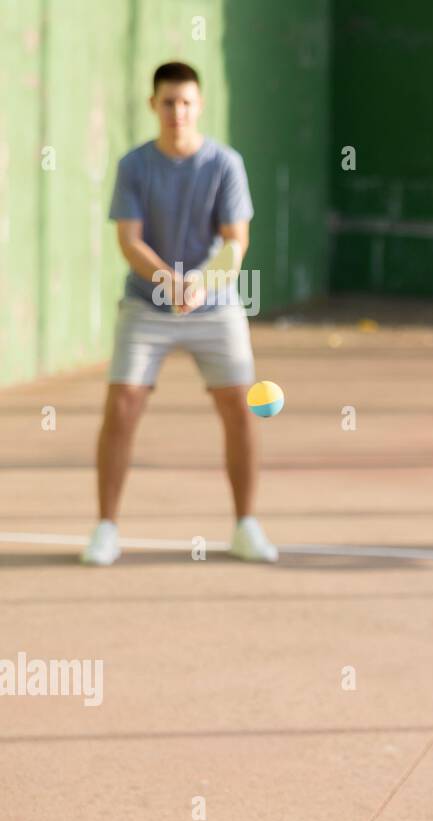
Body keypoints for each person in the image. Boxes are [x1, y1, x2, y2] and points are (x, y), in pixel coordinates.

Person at [80, 61, 277, 566]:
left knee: (242, 408)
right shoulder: (134, 165)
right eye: (168, 103)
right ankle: (106, 528)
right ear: (154, 106)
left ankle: (245, 526)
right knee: (122, 404)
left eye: (186, 102)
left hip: (216, 307)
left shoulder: (225, 164)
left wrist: (200, 284)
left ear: (200, 105)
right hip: (146, 305)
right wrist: (168, 281)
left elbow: (236, 244)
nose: (178, 112)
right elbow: (129, 241)